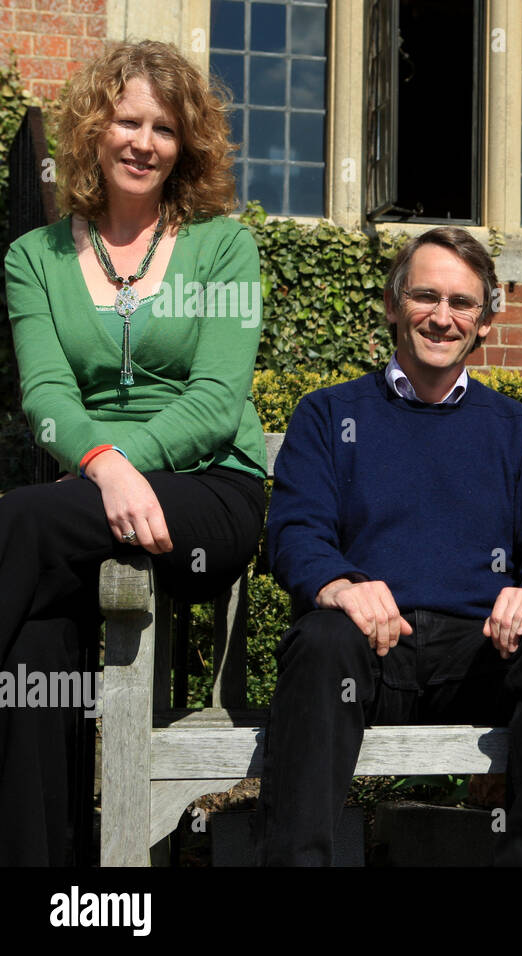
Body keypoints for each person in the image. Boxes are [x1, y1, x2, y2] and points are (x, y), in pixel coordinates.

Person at [256, 226, 522, 866]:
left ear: (483, 322)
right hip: (368, 653)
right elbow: (296, 530)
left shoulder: (518, 430)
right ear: (393, 305)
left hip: (481, 658)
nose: (442, 318)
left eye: (462, 303)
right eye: (425, 296)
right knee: (321, 637)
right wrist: (338, 585)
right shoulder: (330, 415)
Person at [1, 40, 266, 865]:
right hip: (91, 504)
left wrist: (123, 463)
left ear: (186, 145)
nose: (143, 141)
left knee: (20, 523)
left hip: (207, 493)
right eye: (127, 120)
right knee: (35, 646)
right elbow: (46, 400)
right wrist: (107, 467)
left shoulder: (222, 246)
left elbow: (218, 402)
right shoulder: (32, 259)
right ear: (94, 128)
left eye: (163, 127)